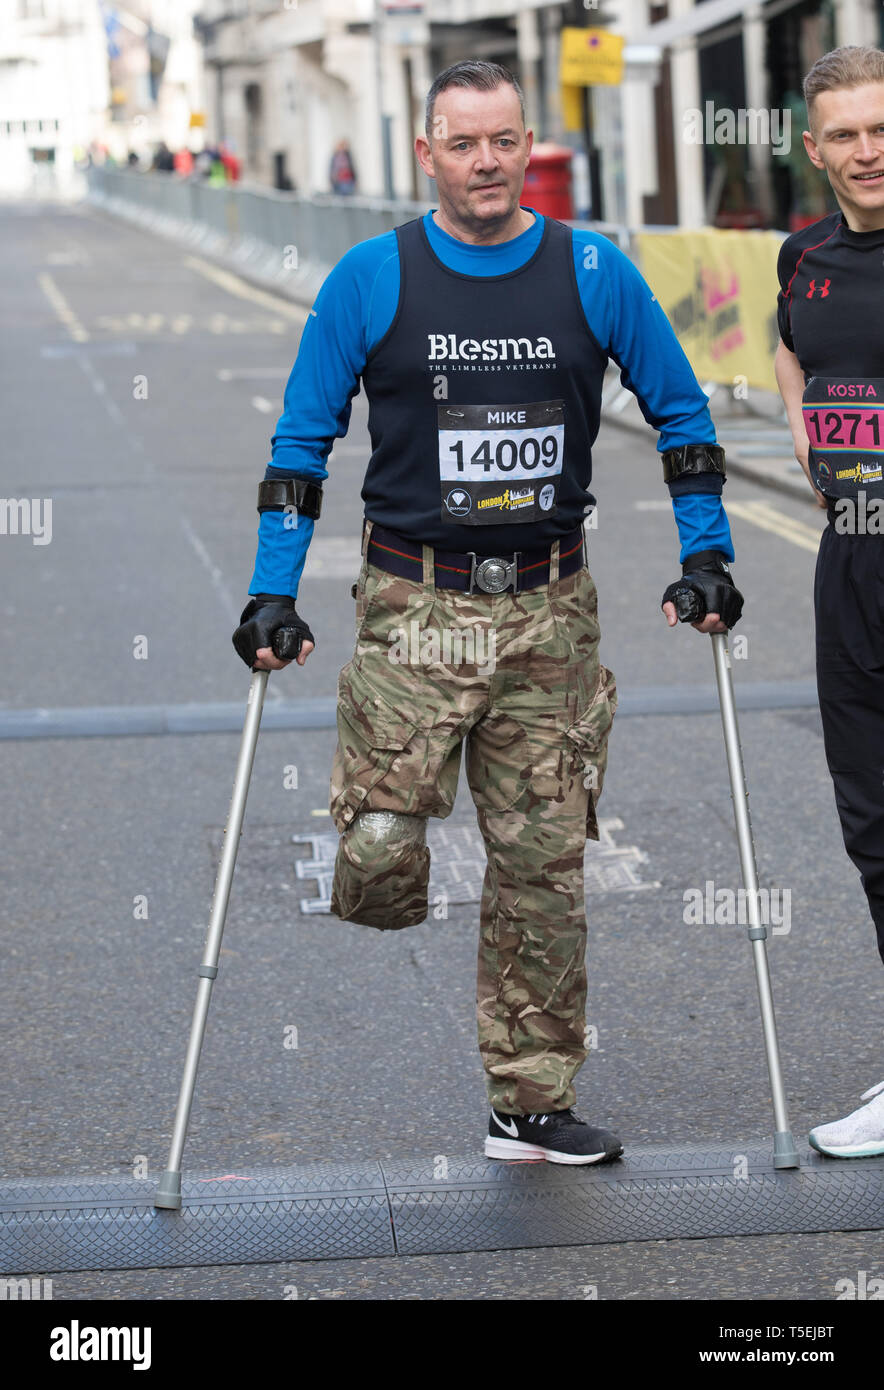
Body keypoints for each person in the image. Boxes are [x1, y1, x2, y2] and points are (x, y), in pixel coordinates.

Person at [233, 60, 742, 1165]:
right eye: (462, 144)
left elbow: (682, 411)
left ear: (525, 145)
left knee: (540, 867)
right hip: (416, 602)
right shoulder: (369, 278)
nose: (485, 164)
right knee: (375, 851)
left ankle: (528, 1100)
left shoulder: (592, 270)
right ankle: (394, 860)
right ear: (425, 154)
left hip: (549, 610)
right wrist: (274, 586)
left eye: (503, 141)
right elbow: (298, 446)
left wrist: (707, 553)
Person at [775, 44, 884, 1159]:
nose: (867, 151)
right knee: (873, 831)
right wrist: (808, 441)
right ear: (815, 152)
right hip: (849, 567)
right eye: (845, 134)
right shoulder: (800, 257)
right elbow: (791, 353)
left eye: (880, 127)